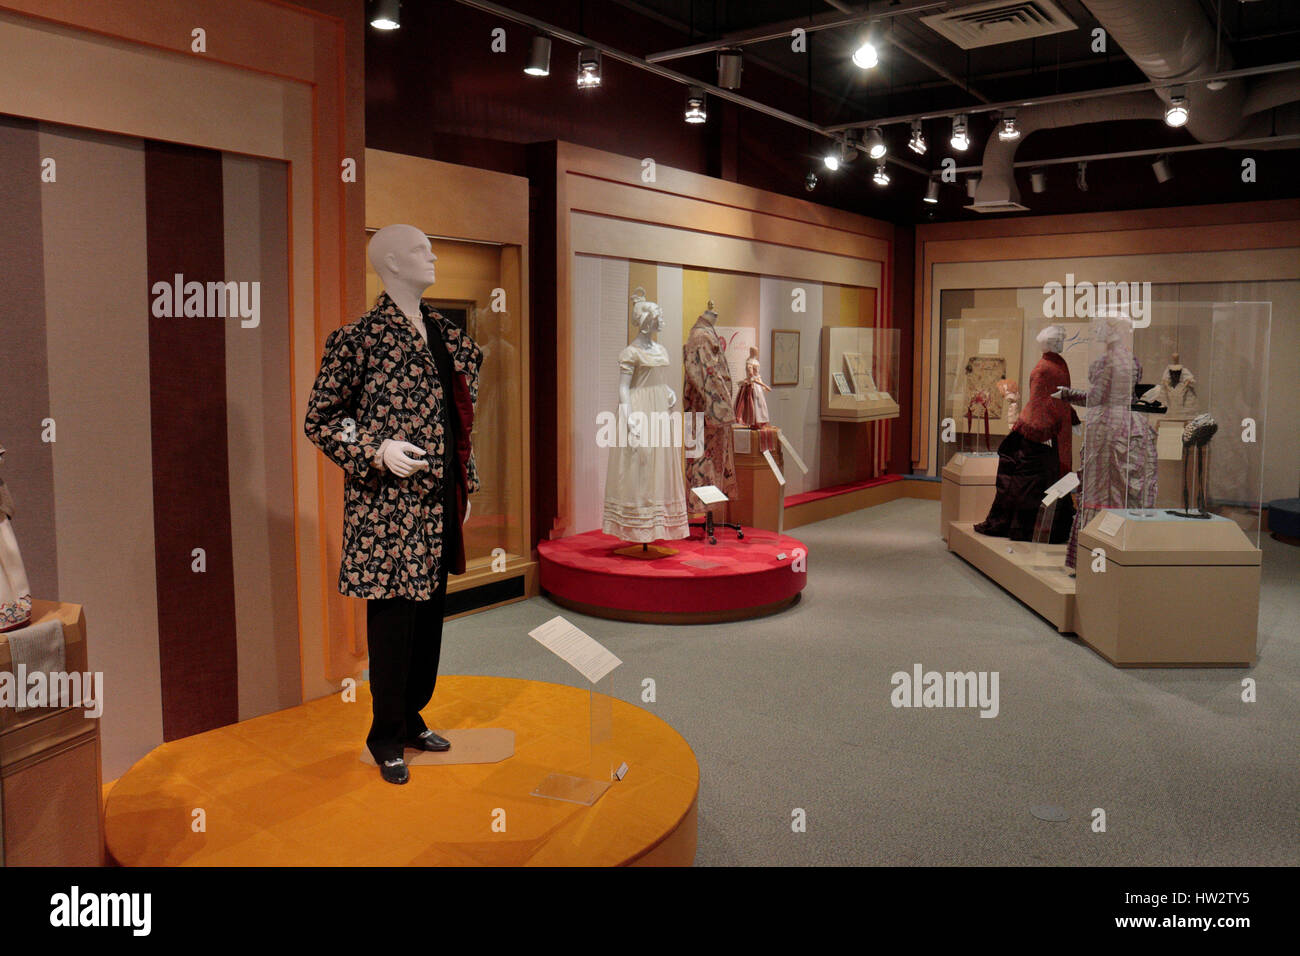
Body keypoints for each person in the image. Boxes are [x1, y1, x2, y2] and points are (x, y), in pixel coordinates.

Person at [304, 224, 481, 785]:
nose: (432, 254)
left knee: (429, 621)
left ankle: (411, 717)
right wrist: (375, 451)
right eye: (419, 249)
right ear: (391, 264)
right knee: (393, 625)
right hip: (387, 511)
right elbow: (321, 419)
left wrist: (465, 486)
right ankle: (384, 734)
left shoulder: (445, 335)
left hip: (437, 505)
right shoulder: (357, 338)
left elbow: (462, 422)